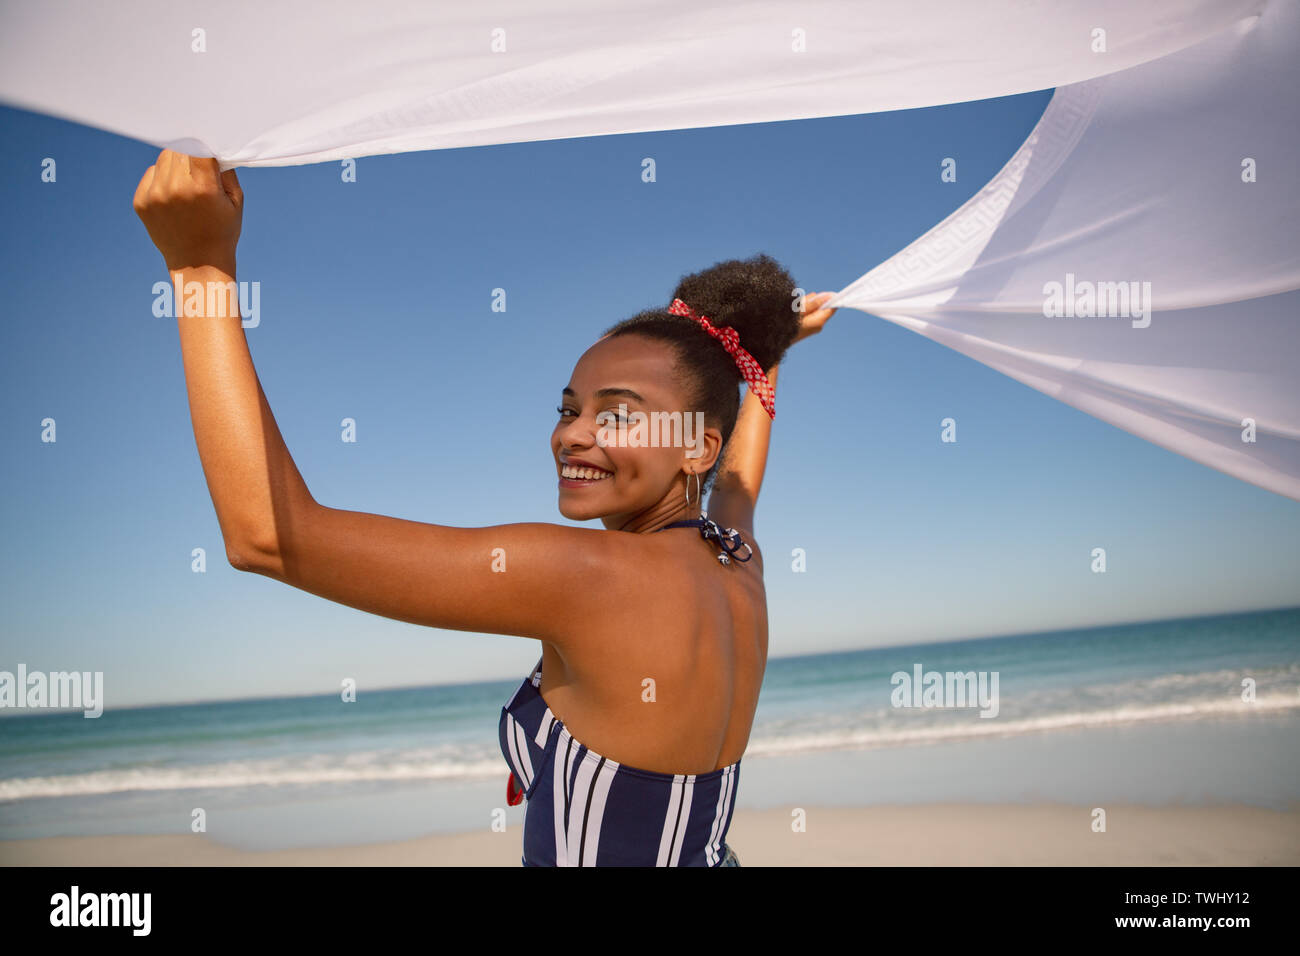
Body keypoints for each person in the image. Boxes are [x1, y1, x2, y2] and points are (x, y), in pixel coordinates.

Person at [132, 150, 838, 866]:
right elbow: (736, 480)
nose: (573, 435)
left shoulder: (587, 573)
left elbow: (268, 536)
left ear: (696, 444)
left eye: (617, 415)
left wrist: (199, 271)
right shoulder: (736, 558)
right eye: (569, 409)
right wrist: (769, 358)